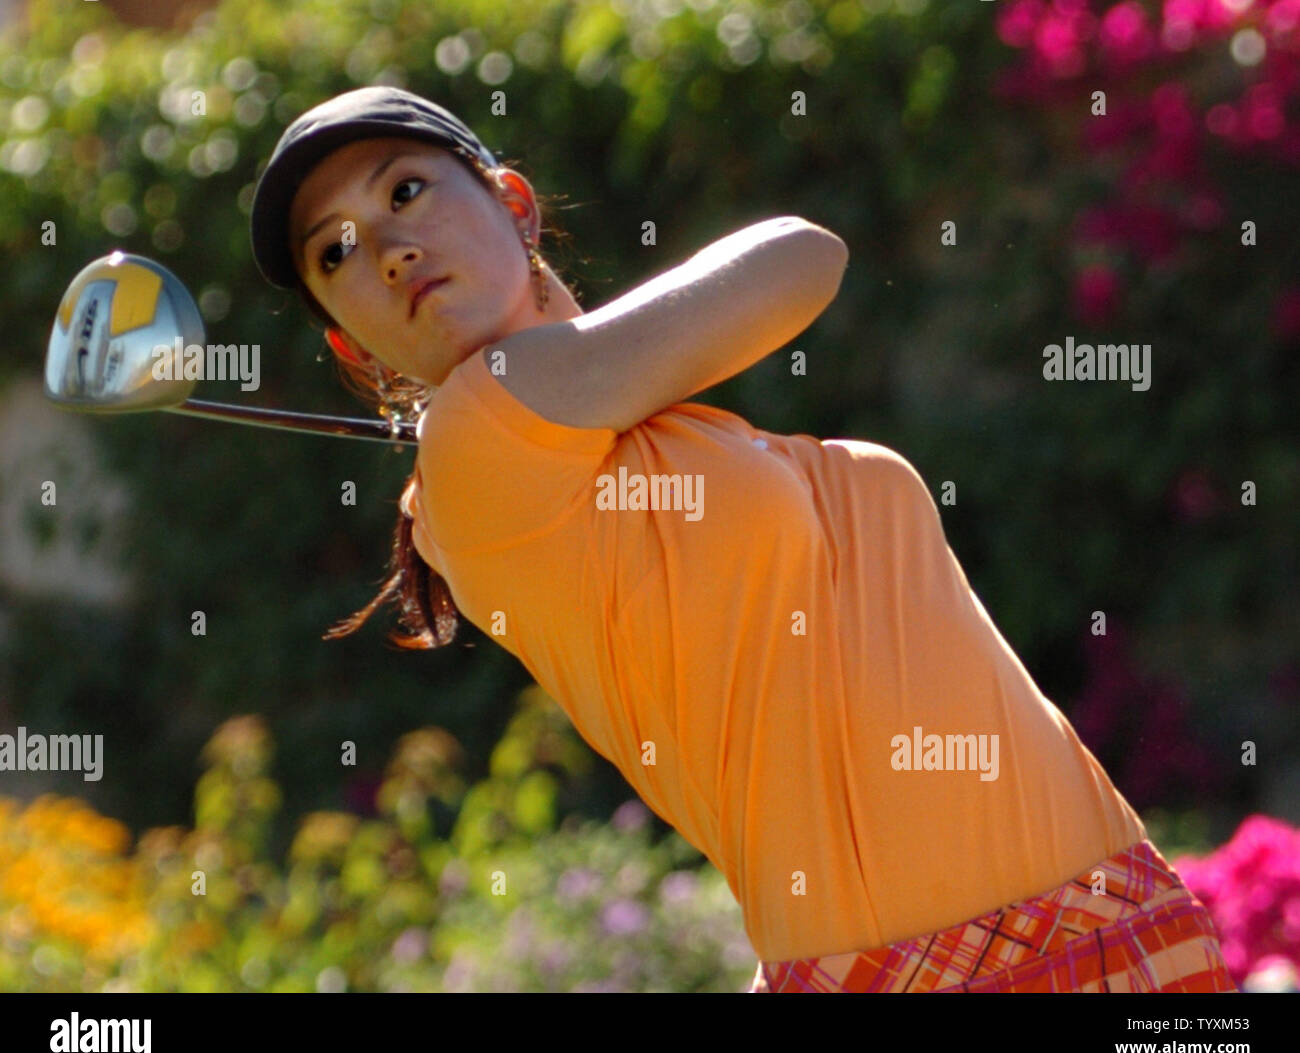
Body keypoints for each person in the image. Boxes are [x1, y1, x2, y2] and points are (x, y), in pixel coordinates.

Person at [248, 86, 1237, 993]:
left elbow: (805, 255)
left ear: (515, 202)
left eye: (406, 191)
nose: (384, 249)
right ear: (347, 340)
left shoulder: (657, 434)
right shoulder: (474, 438)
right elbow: (795, 261)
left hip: (1128, 927)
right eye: (333, 253)